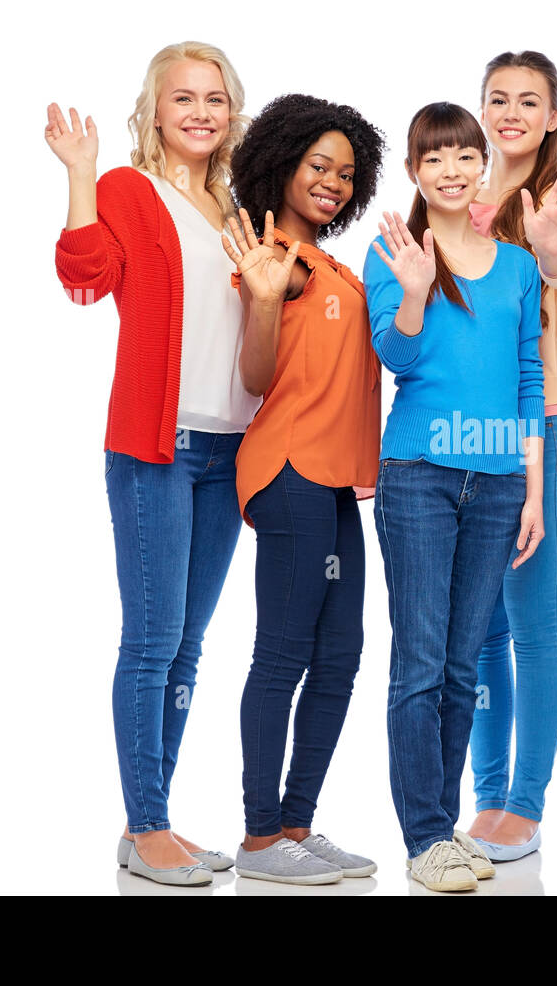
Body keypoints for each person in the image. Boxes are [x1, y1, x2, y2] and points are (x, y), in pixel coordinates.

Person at [47, 41, 253, 886]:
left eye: (216, 98)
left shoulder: (235, 209)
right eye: (184, 99)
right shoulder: (132, 192)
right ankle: (146, 824)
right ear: (156, 111)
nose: (201, 112)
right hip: (155, 449)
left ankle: (157, 821)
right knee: (152, 640)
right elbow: (85, 276)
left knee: (190, 645)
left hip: (227, 449)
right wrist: (81, 175)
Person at [365, 102, 545, 892]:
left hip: (501, 480)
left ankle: (440, 826)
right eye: (432, 157)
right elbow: (393, 350)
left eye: (463, 155)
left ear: (481, 166)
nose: (450, 168)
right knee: (420, 660)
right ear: (415, 171)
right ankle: (427, 833)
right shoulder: (394, 251)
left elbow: (530, 378)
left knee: (464, 662)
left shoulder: (516, 263)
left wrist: (534, 488)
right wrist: (411, 290)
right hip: (419, 477)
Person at [223, 94, 386, 884]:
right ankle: (260, 838)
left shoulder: (334, 265)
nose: (331, 181)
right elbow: (256, 377)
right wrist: (262, 297)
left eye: (346, 173)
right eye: (317, 165)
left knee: (340, 655)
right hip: (289, 471)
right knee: (283, 653)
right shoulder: (273, 257)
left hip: (337, 483)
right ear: (281, 163)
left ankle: (296, 822)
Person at [463, 50, 557, 863]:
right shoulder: (453, 189)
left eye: (529, 101)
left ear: (552, 115)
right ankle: (487, 794)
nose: (511, 112)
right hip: (466, 438)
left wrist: (547, 248)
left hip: (547, 422)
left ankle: (526, 801)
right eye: (497, 98)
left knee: (532, 620)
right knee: (477, 628)